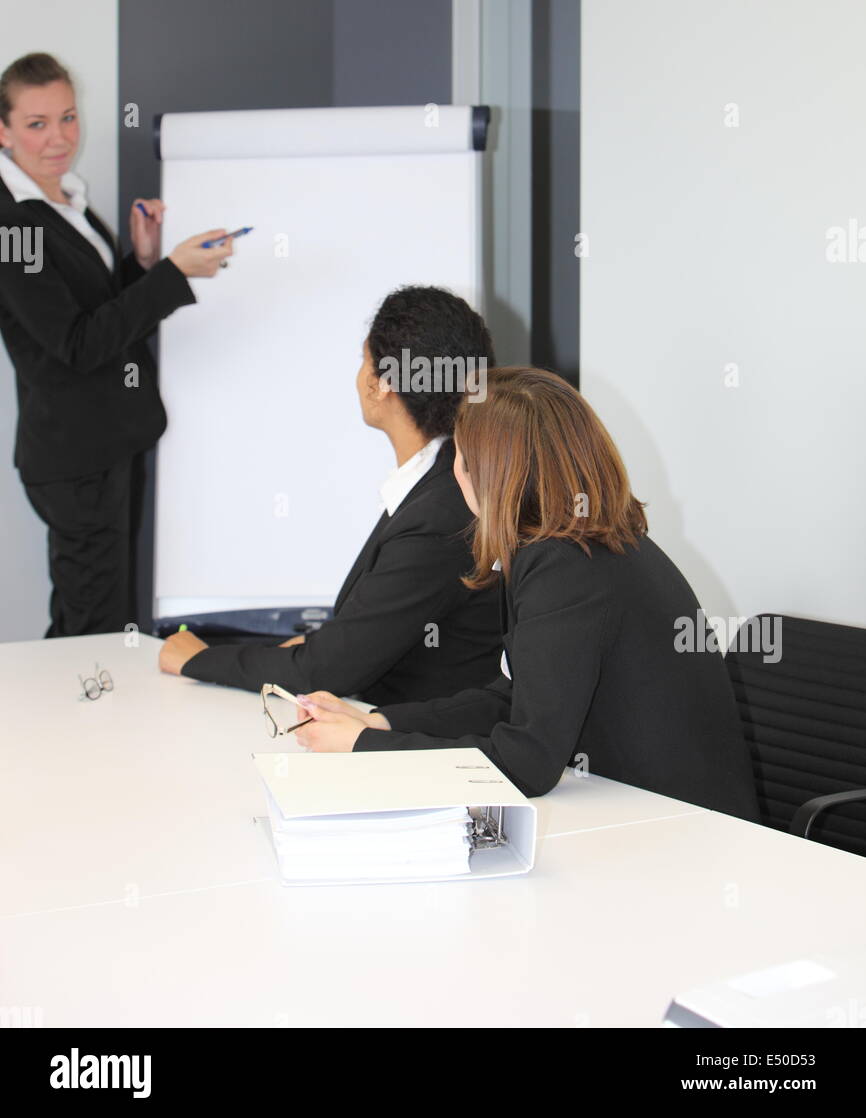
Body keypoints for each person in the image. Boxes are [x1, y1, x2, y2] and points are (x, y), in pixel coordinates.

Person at [289, 366, 761, 819]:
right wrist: (380, 723)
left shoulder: (563, 565)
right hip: (646, 814)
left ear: (483, 474)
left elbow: (525, 763)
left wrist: (360, 746)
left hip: (681, 837)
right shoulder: (574, 544)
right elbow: (512, 698)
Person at [159, 286, 503, 705]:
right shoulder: (445, 479)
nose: (360, 374)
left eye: (364, 360)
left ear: (384, 385)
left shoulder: (441, 510)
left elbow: (325, 672)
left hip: (422, 749)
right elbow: (362, 635)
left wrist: (198, 659)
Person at [0, 51, 236, 636]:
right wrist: (172, 276)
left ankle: (67, 724)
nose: (59, 138)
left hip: (103, 446)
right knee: (93, 631)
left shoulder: (63, 202)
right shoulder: (14, 228)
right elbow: (76, 344)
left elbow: (99, 314)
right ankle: (70, 727)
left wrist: (144, 259)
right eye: (37, 124)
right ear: (3, 132)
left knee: (92, 620)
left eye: (68, 117)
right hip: (76, 458)